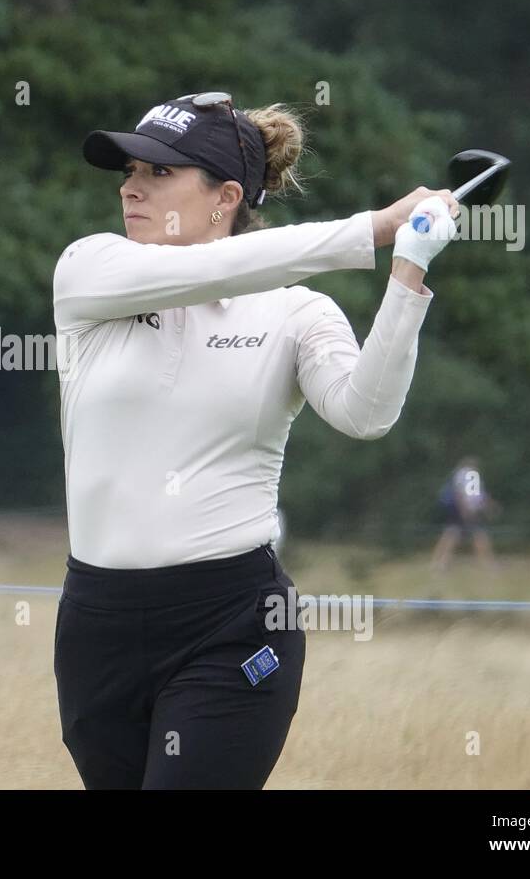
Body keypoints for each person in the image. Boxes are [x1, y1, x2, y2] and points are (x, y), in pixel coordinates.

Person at [51, 91, 459, 789]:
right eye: (129, 171)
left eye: (158, 173)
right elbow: (212, 271)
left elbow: (365, 413)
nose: (130, 187)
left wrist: (407, 268)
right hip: (96, 626)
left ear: (225, 197)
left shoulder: (297, 312)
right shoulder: (91, 270)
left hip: (231, 623)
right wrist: (372, 227)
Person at [430, 456, 500, 571]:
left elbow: (478, 495)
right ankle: (487, 563)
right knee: (478, 535)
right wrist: (465, 509)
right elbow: (461, 493)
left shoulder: (466, 475)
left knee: (452, 535)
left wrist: (489, 506)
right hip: (465, 510)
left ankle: (439, 563)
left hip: (462, 510)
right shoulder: (466, 475)